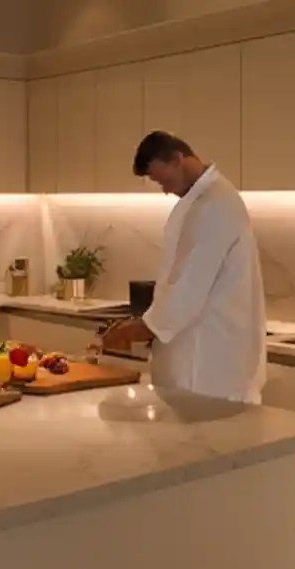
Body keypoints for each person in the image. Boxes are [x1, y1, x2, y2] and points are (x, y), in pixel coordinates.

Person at [99, 131, 266, 404]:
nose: (165, 190)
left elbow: (188, 288)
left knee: (208, 440)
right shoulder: (204, 200)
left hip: (207, 365)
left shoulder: (214, 205)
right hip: (199, 356)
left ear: (178, 159)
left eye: (163, 180)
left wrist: (140, 328)